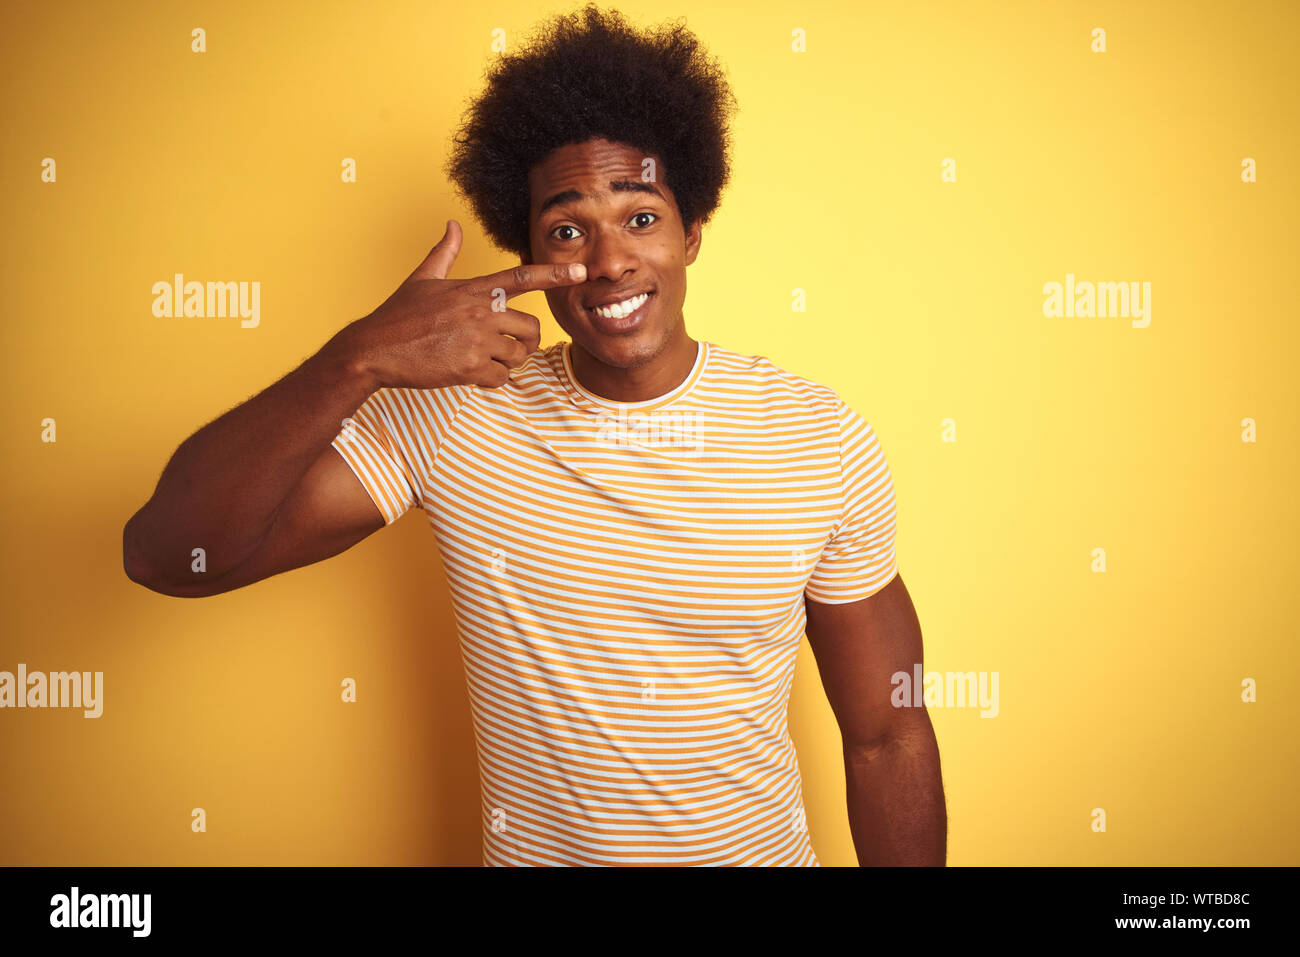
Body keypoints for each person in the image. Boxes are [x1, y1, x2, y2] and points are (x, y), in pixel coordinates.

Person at [123, 3, 945, 866]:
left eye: (640, 216)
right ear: (530, 256)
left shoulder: (817, 437)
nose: (608, 260)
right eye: (566, 229)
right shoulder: (453, 412)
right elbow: (171, 556)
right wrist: (358, 357)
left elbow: (888, 732)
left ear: (692, 231)